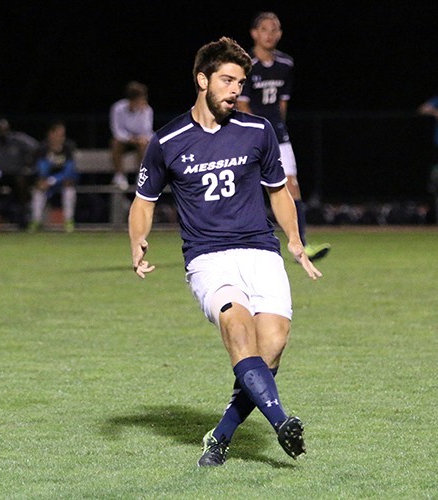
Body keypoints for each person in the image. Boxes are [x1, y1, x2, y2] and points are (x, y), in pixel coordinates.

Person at [128, 36, 322, 467]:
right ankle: (282, 422)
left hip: (261, 252)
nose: (236, 90)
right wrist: (137, 240)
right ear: (203, 79)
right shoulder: (168, 140)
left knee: (271, 347)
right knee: (237, 326)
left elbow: (279, 192)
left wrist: (294, 239)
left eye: (241, 81)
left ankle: (219, 437)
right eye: (228, 80)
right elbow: (143, 201)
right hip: (208, 258)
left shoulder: (258, 131)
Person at [236, 11, 330, 261]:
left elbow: (282, 105)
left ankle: (301, 245)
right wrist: (254, 133)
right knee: (244, 189)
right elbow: (241, 104)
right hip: (249, 135)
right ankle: (236, 243)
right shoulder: (244, 64)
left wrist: (277, 129)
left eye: (274, 29)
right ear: (254, 33)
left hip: (278, 135)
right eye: (264, 29)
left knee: (291, 185)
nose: (270, 34)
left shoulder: (286, 64)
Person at [29, 121, 79, 233]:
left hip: (62, 181)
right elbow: (41, 169)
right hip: (46, 183)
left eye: (63, 135)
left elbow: (69, 170)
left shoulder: (68, 148)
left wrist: (52, 181)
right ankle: (36, 221)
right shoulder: (42, 149)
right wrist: (43, 181)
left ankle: (69, 221)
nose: (61, 138)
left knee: (69, 189)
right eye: (58, 134)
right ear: (50, 134)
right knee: (38, 190)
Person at [109, 81, 153, 190]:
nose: (144, 100)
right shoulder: (117, 108)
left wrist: (142, 114)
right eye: (141, 98)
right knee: (115, 142)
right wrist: (131, 138)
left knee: (144, 143)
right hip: (124, 141)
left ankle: (141, 176)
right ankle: (120, 176)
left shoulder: (147, 110)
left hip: (140, 142)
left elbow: (147, 131)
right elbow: (117, 131)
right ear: (132, 100)